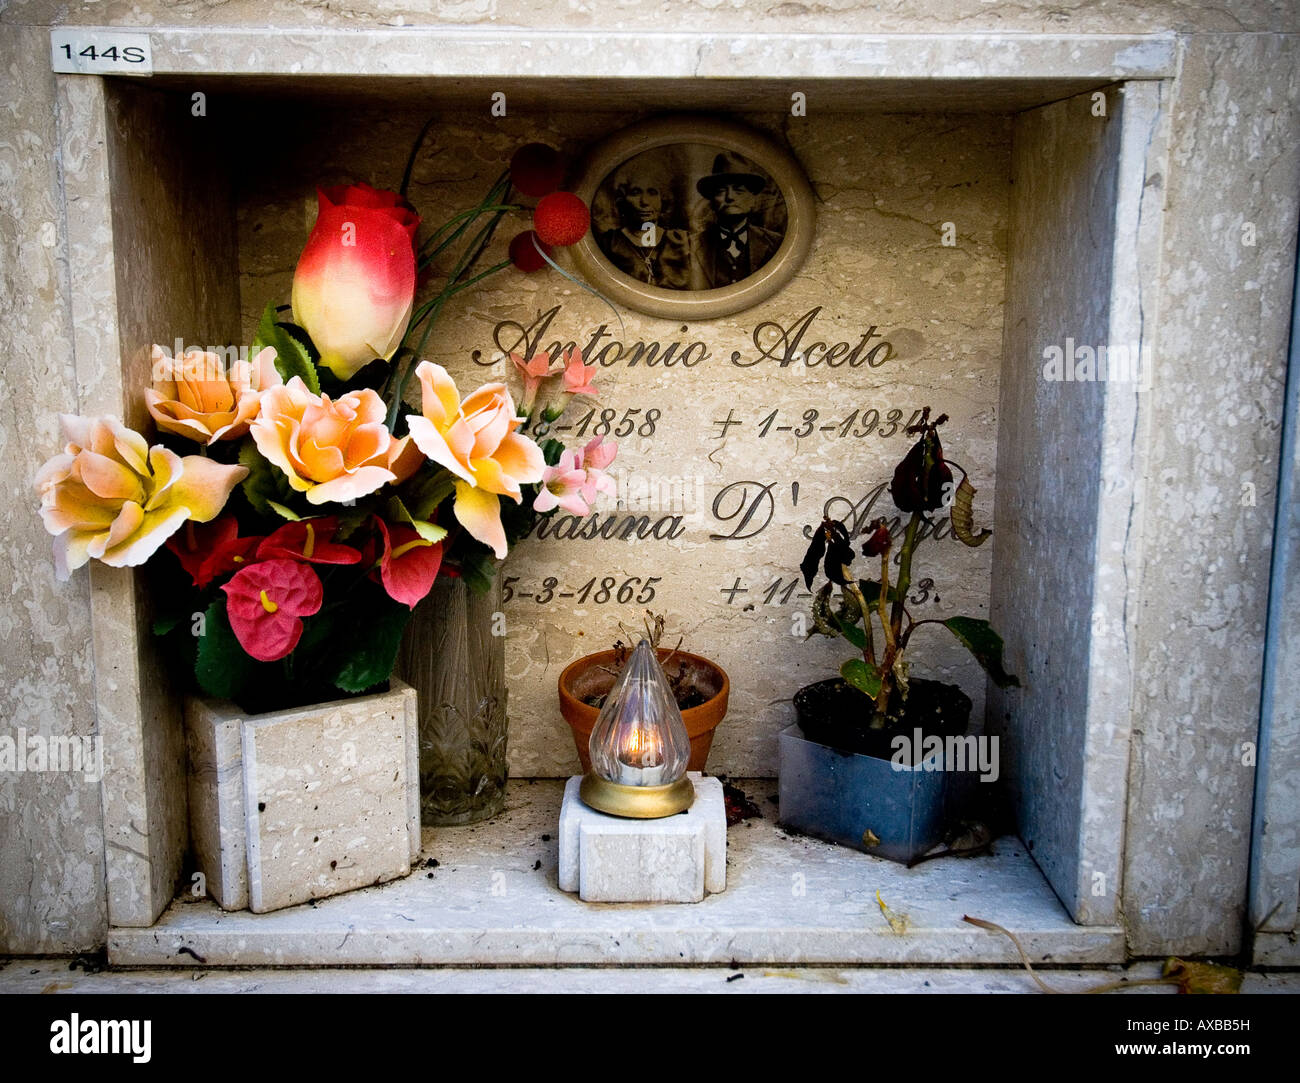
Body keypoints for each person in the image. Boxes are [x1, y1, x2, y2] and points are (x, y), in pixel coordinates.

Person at [691, 152, 783, 289]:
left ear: (753, 200)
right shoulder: (692, 246)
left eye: (739, 191)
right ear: (711, 202)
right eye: (721, 191)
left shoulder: (776, 243)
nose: (730, 198)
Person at [595, 165, 692, 289]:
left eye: (652, 192)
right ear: (623, 200)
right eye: (635, 192)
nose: (645, 201)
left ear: (663, 199)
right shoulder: (609, 243)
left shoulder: (682, 241)